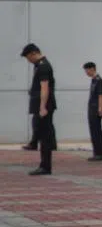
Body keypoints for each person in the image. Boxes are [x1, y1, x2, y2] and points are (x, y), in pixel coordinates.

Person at [22, 44, 56, 175]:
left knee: (45, 136)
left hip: (44, 107)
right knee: (41, 133)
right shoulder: (40, 65)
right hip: (41, 105)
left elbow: (45, 87)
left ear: (33, 53)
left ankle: (45, 166)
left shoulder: (43, 66)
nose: (28, 60)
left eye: (28, 58)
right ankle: (43, 164)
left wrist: (42, 107)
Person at [83, 62, 102, 161]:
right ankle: (96, 152)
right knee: (93, 131)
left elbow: (100, 95)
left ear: (92, 69)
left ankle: (100, 153)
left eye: (87, 70)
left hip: (96, 109)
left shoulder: (99, 81)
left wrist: (100, 108)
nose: (86, 73)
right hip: (91, 108)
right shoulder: (93, 80)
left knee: (97, 132)